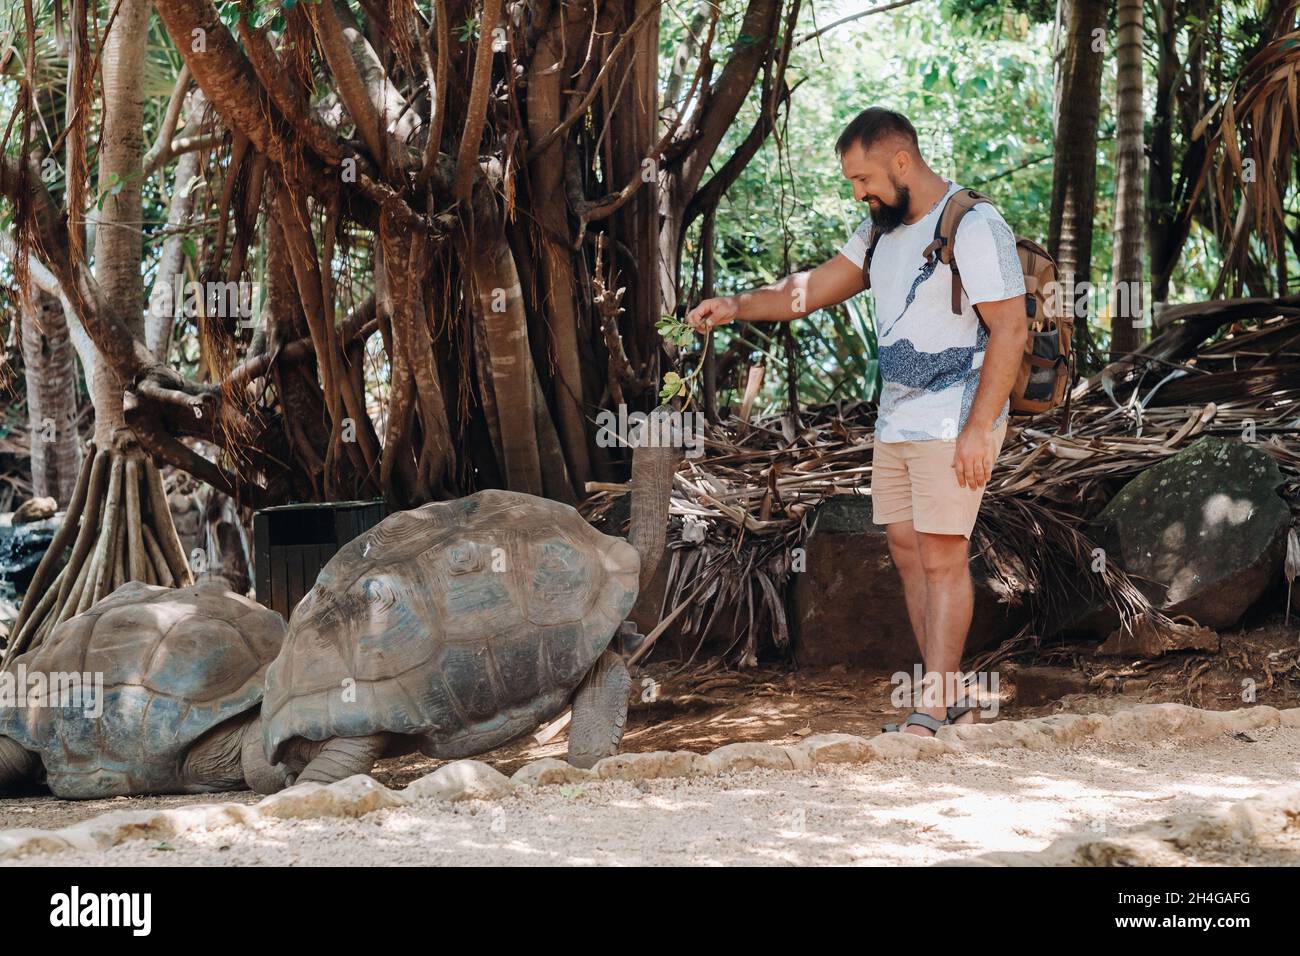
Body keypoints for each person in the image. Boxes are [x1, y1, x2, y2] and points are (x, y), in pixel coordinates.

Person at [684, 107, 1028, 737]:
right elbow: (809, 290)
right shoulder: (879, 232)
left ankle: (933, 708)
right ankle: (948, 697)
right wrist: (735, 305)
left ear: (902, 161)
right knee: (906, 550)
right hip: (897, 419)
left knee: (942, 555)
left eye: (863, 178)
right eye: (851, 182)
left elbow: (1010, 328)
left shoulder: (973, 224)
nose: (858, 192)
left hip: (955, 417)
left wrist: (980, 429)